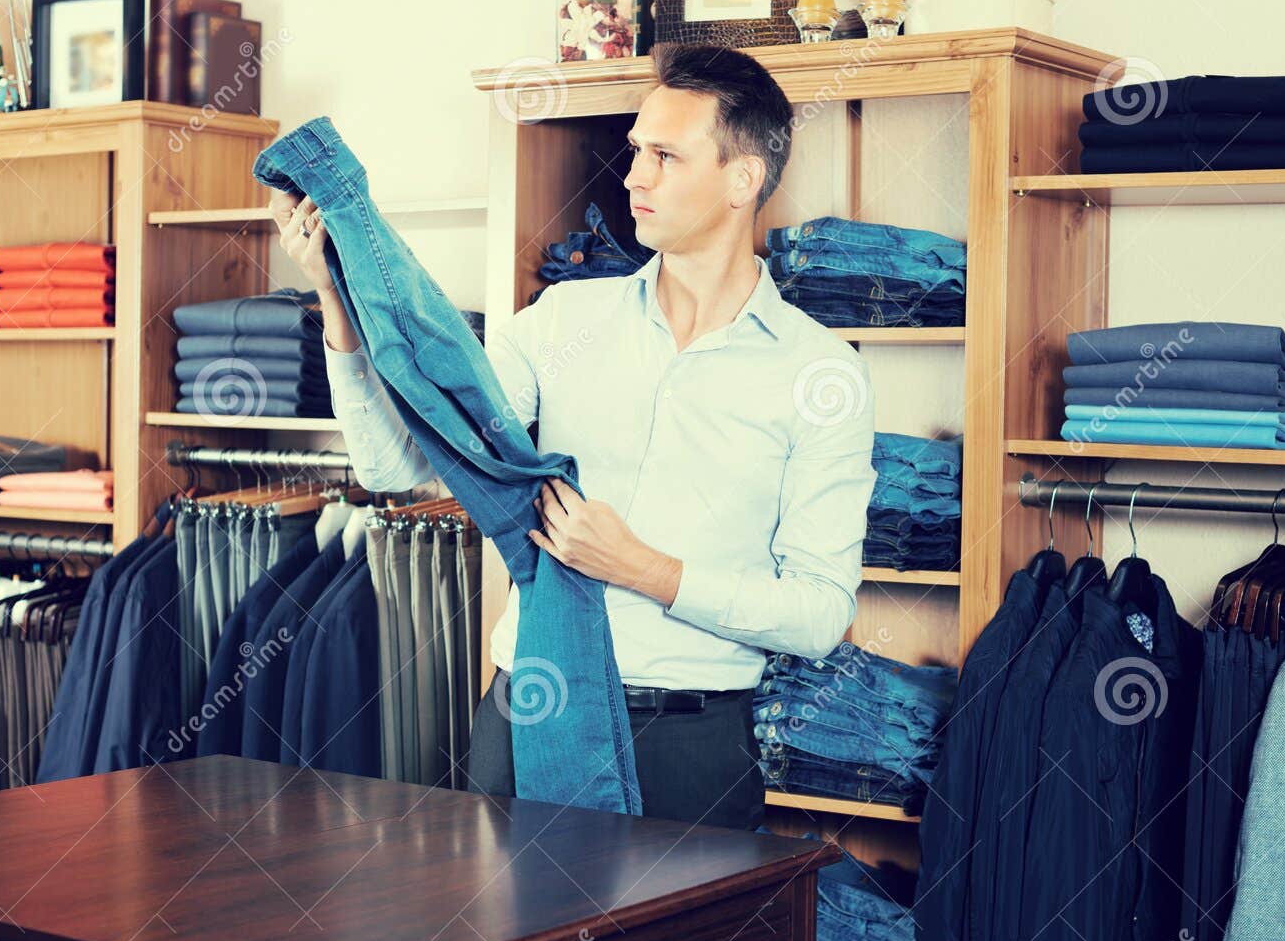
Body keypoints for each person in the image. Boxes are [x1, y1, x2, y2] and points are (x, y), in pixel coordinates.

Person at [269, 43, 875, 830]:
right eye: (635, 153)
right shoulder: (561, 323)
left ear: (742, 180)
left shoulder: (819, 373)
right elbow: (397, 465)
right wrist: (337, 297)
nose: (634, 178)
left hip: (689, 748)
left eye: (664, 155)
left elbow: (821, 613)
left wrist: (644, 568)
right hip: (527, 715)